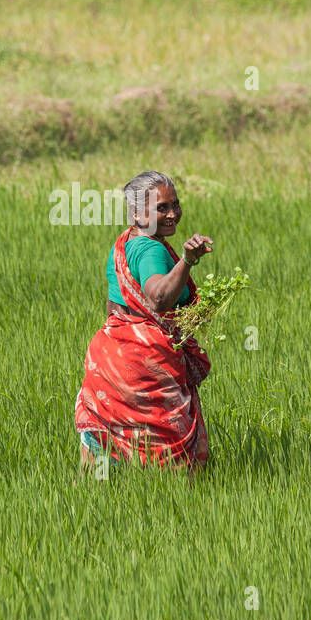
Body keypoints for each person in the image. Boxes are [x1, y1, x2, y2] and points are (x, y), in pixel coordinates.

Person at [74, 171, 215, 470]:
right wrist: (188, 261)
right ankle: (173, 506)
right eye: (161, 207)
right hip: (144, 365)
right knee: (168, 459)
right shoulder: (150, 249)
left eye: (175, 204)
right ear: (137, 212)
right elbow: (158, 298)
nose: (173, 213)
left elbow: (120, 304)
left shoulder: (126, 241)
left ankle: (87, 505)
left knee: (104, 449)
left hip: (109, 357)